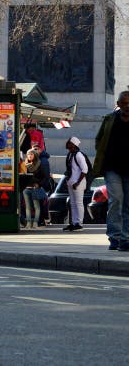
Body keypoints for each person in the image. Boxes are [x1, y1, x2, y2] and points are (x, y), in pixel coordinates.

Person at [93, 90, 129, 251]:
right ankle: (115, 237)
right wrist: (103, 156)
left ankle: (126, 238)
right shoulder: (110, 119)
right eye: (124, 103)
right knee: (116, 200)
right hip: (112, 168)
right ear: (119, 104)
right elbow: (99, 139)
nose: (127, 106)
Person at [63, 137, 88, 232]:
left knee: (78, 203)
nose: (67, 144)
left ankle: (79, 224)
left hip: (78, 183)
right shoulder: (70, 154)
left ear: (74, 145)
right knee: (73, 204)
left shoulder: (79, 155)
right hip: (71, 182)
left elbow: (85, 170)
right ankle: (74, 223)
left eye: (69, 142)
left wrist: (77, 182)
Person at [22, 149, 48, 229]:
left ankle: (35, 223)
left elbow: (45, 177)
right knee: (28, 207)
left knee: (36, 206)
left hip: (35, 188)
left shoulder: (39, 164)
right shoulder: (24, 165)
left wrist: (39, 184)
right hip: (26, 188)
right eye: (28, 154)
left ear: (35, 155)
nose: (29, 156)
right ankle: (28, 223)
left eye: (31, 154)